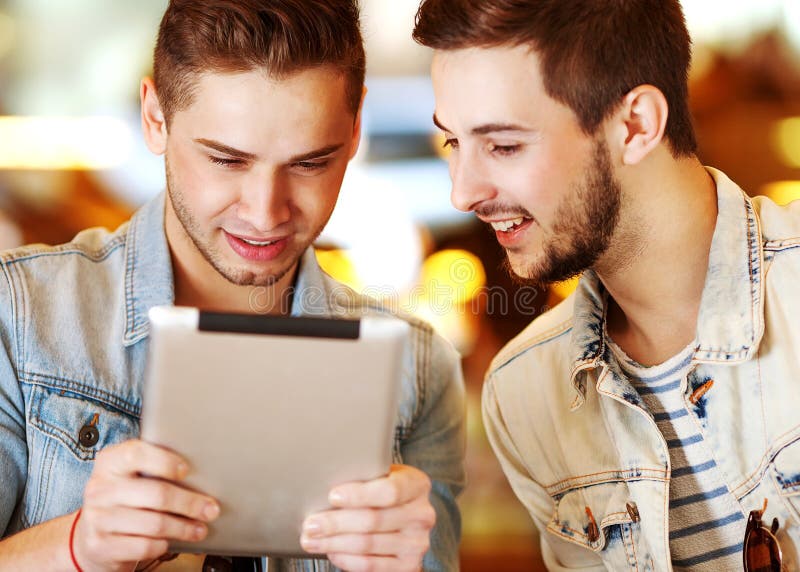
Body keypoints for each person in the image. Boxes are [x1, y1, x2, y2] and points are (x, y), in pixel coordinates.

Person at [0, 1, 466, 570]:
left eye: (310, 163)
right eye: (226, 160)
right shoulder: (18, 314)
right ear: (155, 118)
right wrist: (79, 546)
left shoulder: (419, 369)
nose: (265, 212)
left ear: (354, 129)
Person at [414, 0, 800, 570]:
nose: (463, 192)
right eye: (454, 143)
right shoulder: (525, 390)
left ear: (636, 125)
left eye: (503, 146)